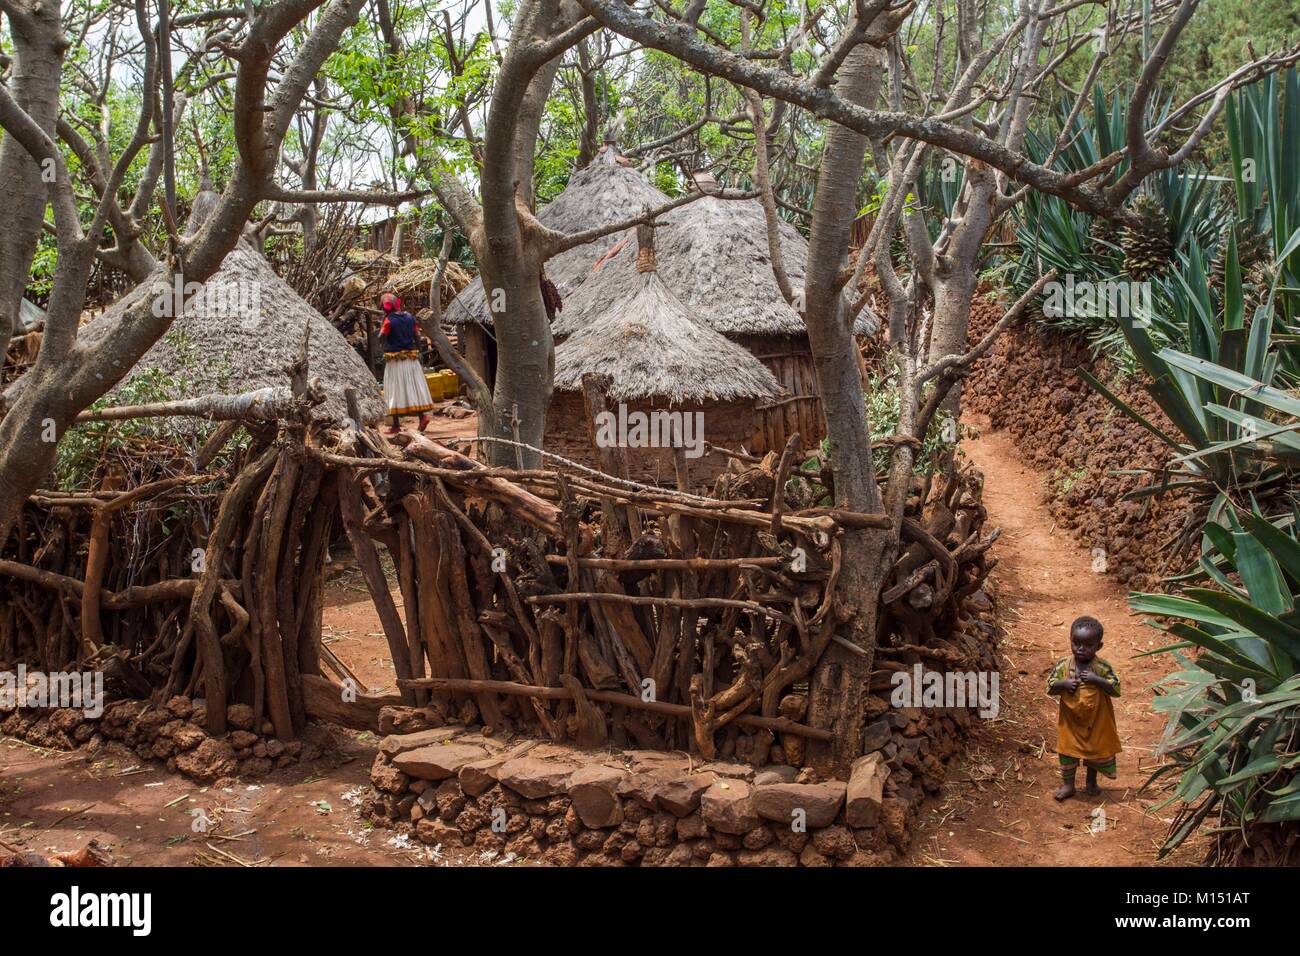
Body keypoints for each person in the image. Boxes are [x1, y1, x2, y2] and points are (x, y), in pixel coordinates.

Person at [1046, 615, 1121, 800]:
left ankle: (1091, 783)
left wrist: (1097, 680)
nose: (1080, 649)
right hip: (1070, 722)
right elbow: (1050, 686)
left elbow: (1116, 688)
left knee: (1094, 752)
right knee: (1067, 751)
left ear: (1099, 646)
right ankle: (1068, 785)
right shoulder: (1064, 665)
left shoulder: (1102, 667)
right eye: (1076, 643)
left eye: (1087, 645)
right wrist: (1063, 684)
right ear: (1070, 640)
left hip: (1096, 720)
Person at [378, 293, 433, 434]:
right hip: (412, 360)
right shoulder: (410, 318)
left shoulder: (388, 321)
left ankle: (396, 425)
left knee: (395, 390)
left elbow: (381, 336)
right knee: (414, 387)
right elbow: (417, 336)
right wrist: (418, 353)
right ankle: (422, 417)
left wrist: (384, 347)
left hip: (395, 361)